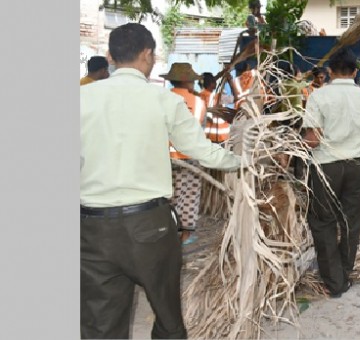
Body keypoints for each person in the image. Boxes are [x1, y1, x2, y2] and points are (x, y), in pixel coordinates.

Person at [80, 23, 241, 338]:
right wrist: (243, 162)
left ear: (110, 55)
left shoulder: (80, 99)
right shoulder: (164, 101)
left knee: (100, 323)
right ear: (147, 55)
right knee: (168, 318)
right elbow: (201, 151)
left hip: (92, 228)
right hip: (149, 227)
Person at [302, 47, 360, 298]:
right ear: (355, 72)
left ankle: (334, 282)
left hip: (325, 168)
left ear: (329, 72)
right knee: (351, 222)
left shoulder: (318, 97)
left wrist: (293, 145)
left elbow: (313, 140)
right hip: (357, 168)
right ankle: (343, 273)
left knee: (323, 223)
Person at [161, 63, 207, 245]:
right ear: (187, 81)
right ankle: (185, 235)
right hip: (190, 156)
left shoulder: (161, 98)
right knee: (189, 195)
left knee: (167, 196)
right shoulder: (199, 102)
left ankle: (166, 232)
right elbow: (200, 130)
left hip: (164, 158)